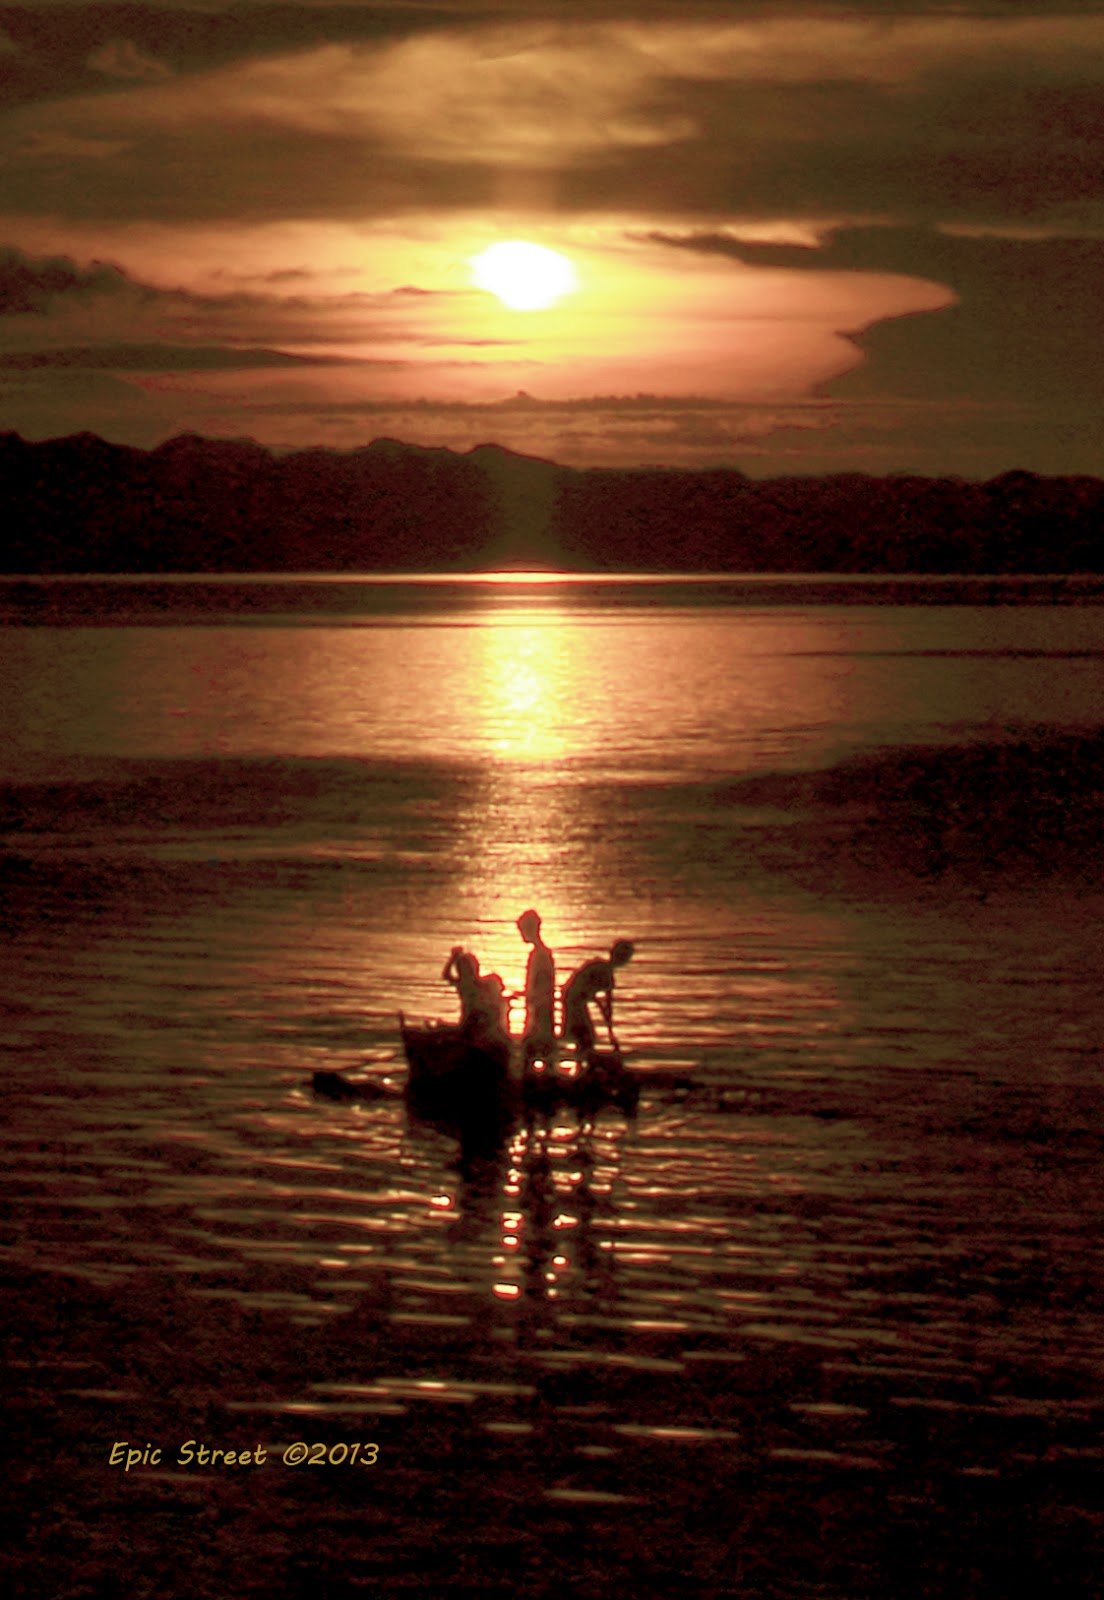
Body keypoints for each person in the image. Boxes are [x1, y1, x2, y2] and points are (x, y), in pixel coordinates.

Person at [560, 940, 635, 1059]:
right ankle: (580, 1065)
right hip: (573, 1001)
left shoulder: (608, 977)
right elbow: (580, 988)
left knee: (586, 1037)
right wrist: (600, 1006)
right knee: (585, 1036)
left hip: (576, 1002)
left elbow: (608, 1005)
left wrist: (609, 1025)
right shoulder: (597, 967)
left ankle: (581, 1063)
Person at [442, 946, 509, 1049]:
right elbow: (446, 975)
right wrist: (454, 958)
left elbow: (446, 975)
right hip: (468, 1026)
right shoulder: (465, 984)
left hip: (482, 1027)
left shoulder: (484, 982)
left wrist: (453, 958)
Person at [516, 909, 555, 1065]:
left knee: (533, 1049)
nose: (522, 934)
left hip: (540, 1010)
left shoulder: (541, 955)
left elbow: (543, 986)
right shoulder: (540, 954)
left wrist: (532, 1000)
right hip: (537, 1008)